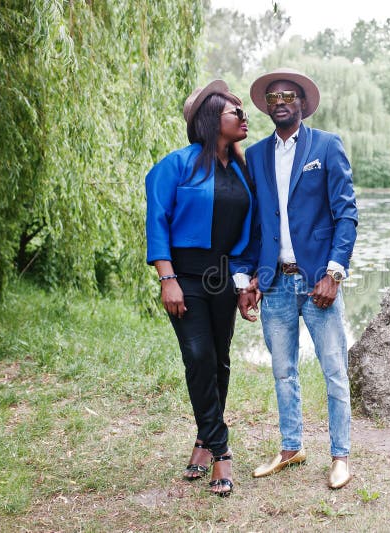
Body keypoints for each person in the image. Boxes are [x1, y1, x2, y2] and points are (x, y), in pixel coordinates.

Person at [236, 67, 358, 489]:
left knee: (334, 370)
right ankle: (291, 447)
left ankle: (340, 456)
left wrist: (334, 273)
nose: (281, 102)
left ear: (303, 103)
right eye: (273, 98)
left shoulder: (326, 146)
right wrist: (246, 279)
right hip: (275, 284)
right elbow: (255, 225)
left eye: (288, 95)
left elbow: (346, 215)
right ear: (267, 107)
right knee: (283, 371)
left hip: (318, 282)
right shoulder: (255, 156)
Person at [145, 79, 256, 496]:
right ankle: (222, 452)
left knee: (220, 361)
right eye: (236, 112)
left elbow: (251, 233)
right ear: (212, 120)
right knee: (198, 357)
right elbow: (157, 220)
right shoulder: (175, 164)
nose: (245, 118)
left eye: (244, 112)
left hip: (224, 279)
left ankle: (203, 440)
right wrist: (167, 277)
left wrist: (245, 282)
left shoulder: (244, 172)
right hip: (185, 278)